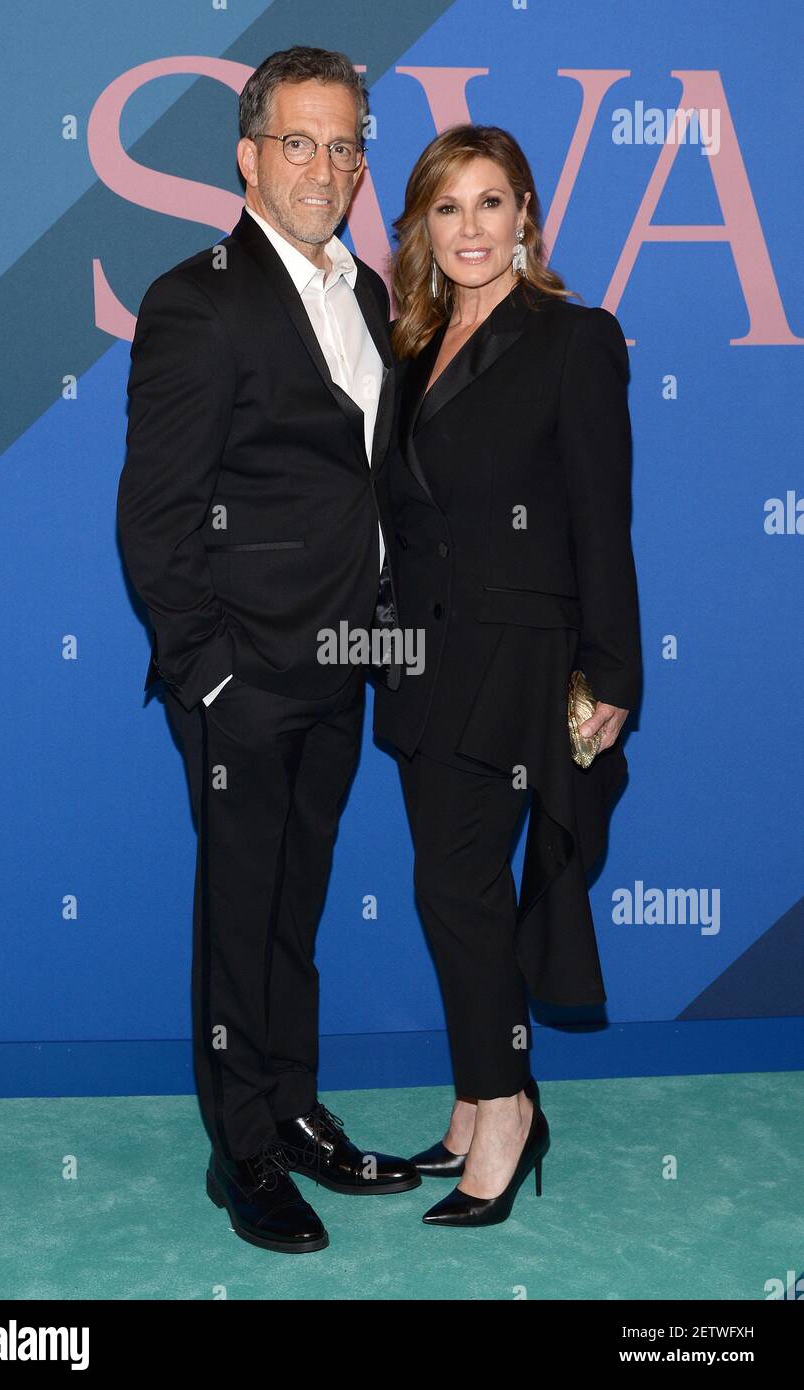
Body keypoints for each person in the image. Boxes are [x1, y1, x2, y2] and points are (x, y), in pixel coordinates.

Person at [117, 46, 419, 1257]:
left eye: (345, 144)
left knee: (293, 913)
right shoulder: (196, 298)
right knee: (239, 918)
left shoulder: (368, 294)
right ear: (248, 157)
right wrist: (211, 675)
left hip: (339, 664)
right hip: (240, 677)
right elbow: (156, 516)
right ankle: (239, 1150)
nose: (325, 166)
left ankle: (292, 1110)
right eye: (299, 141)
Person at [371, 124, 642, 1228]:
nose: (470, 228)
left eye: (490, 204)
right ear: (422, 228)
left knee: (457, 887)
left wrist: (610, 667)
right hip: (417, 658)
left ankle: (506, 1112)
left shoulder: (573, 338)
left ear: (525, 214)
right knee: (457, 891)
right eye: (447, 208)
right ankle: (481, 1090)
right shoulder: (407, 345)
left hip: (520, 656)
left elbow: (599, 516)